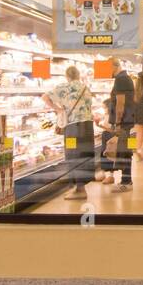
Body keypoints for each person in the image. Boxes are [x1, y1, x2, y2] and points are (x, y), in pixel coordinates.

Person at [42, 66, 95, 200]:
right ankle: (82, 187)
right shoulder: (85, 87)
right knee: (85, 154)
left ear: (67, 76)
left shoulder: (63, 87)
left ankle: (79, 189)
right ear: (78, 76)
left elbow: (45, 97)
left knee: (73, 155)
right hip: (87, 127)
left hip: (73, 128)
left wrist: (58, 109)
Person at [106, 57, 136, 191]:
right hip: (128, 121)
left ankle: (126, 182)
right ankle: (126, 180)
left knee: (124, 151)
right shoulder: (125, 78)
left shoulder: (121, 79)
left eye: (108, 68)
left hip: (124, 122)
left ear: (114, 66)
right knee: (125, 151)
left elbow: (120, 104)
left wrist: (117, 123)